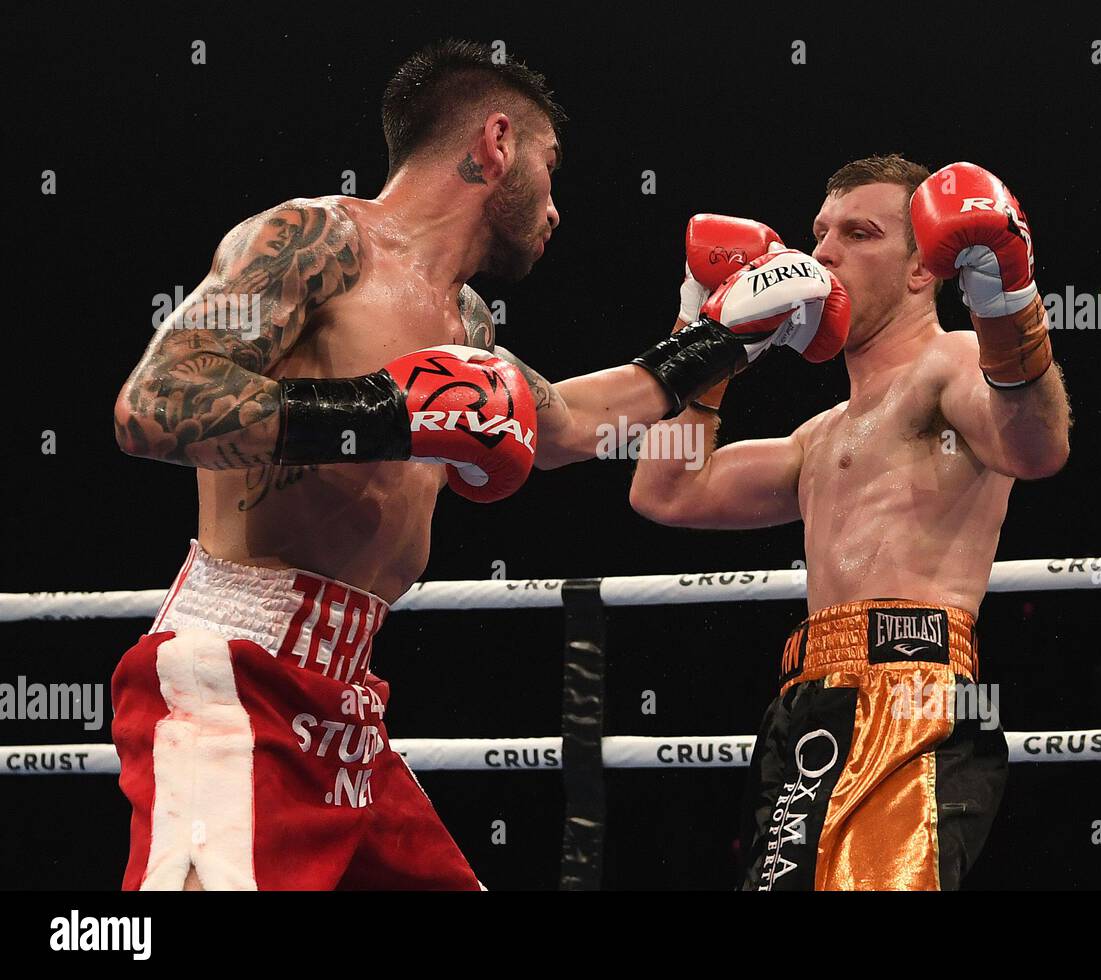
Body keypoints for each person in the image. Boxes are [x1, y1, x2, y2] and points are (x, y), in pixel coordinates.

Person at [110, 39, 848, 891]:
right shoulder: (310, 239)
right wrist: (387, 413)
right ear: (496, 143)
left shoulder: (467, 326)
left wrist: (719, 342)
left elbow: (569, 423)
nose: (556, 208)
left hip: (344, 697)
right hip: (241, 670)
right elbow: (153, 403)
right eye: (550, 164)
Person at [629, 155, 1072, 890]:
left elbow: (1039, 444)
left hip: (911, 693)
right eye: (819, 233)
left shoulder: (953, 365)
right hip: (806, 707)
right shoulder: (820, 436)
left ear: (922, 269)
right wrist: (702, 334)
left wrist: (1005, 299)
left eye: (858, 233)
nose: (824, 253)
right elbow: (666, 488)